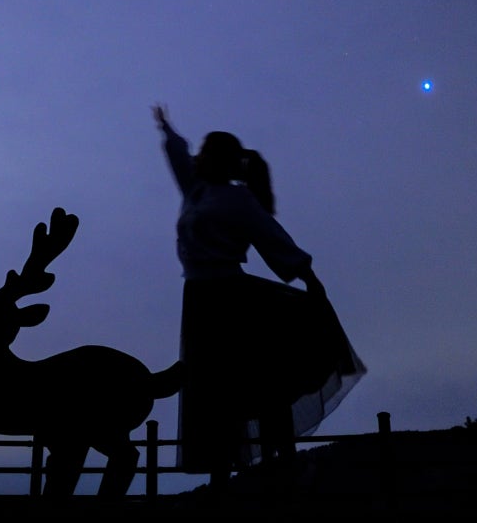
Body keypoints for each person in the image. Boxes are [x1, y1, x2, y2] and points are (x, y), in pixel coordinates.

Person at [153, 104, 365, 490]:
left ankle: (279, 464)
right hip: (200, 300)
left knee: (249, 382)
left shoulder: (236, 199)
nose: (198, 156)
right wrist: (168, 130)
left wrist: (306, 273)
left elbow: (269, 235)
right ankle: (224, 472)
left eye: (206, 151)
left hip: (232, 299)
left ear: (220, 160)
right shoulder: (196, 191)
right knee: (212, 388)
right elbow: (181, 160)